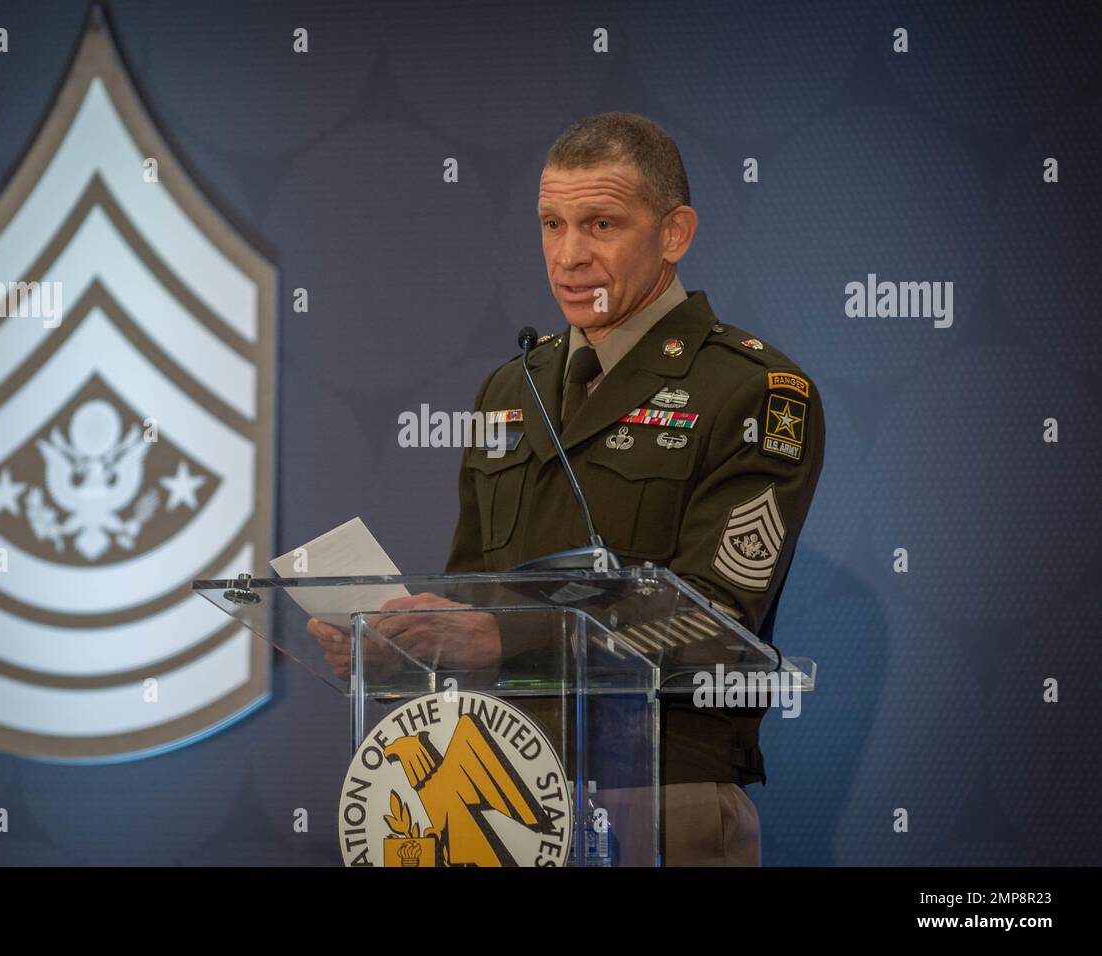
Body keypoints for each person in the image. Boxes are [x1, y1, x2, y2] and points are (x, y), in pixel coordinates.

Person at [310, 112, 824, 865]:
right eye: (552, 224)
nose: (569, 255)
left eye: (602, 223)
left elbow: (714, 620)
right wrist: (403, 651)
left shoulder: (754, 393)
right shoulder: (509, 388)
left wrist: (500, 634)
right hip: (493, 790)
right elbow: (469, 596)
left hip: (658, 795)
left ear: (674, 234)